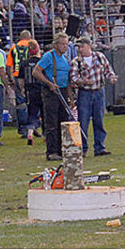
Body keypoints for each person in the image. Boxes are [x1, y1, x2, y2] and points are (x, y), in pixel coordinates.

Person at [68, 38, 117, 157]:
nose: (80, 49)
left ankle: (100, 147)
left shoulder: (99, 57)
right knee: (83, 122)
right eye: (78, 47)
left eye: (82, 47)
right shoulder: (76, 61)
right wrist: (83, 81)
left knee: (99, 119)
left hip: (99, 90)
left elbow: (108, 70)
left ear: (89, 46)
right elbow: (73, 78)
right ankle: (82, 148)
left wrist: (112, 77)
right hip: (85, 93)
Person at [31, 32, 73, 161]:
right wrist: (48, 83)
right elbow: (36, 71)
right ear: (56, 45)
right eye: (63, 44)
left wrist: (70, 97)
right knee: (52, 122)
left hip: (63, 90)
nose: (65, 46)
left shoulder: (65, 58)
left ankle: (62, 149)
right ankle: (52, 151)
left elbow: (68, 79)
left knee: (63, 121)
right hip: (51, 92)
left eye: (67, 44)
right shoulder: (48, 56)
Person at [16, 39, 42, 146]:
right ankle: (46, 134)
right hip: (41, 90)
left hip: (30, 91)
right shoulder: (41, 62)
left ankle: (30, 133)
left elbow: (21, 79)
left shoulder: (24, 63)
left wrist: (22, 89)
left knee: (32, 113)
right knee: (44, 112)